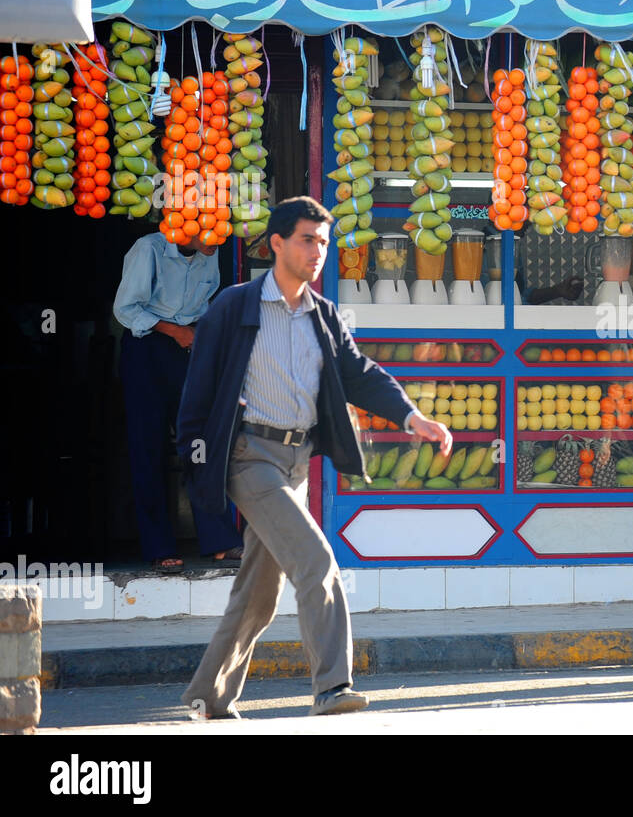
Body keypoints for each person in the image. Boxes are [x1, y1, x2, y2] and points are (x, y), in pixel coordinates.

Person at [177, 197, 452, 718]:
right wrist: (196, 460)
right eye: (308, 239)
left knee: (259, 589)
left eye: (324, 242)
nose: (318, 251)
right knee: (316, 560)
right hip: (247, 456)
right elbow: (197, 392)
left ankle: (206, 698)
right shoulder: (233, 307)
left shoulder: (322, 315)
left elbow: (359, 374)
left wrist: (412, 416)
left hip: (295, 461)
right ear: (276, 243)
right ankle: (331, 687)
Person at [113, 232, 243, 572]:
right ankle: (159, 547)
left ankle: (219, 541)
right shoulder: (149, 249)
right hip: (146, 351)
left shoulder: (209, 250)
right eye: (212, 228)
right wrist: (176, 332)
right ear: (187, 225)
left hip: (187, 350)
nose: (221, 237)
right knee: (148, 447)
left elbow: (205, 304)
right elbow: (125, 309)